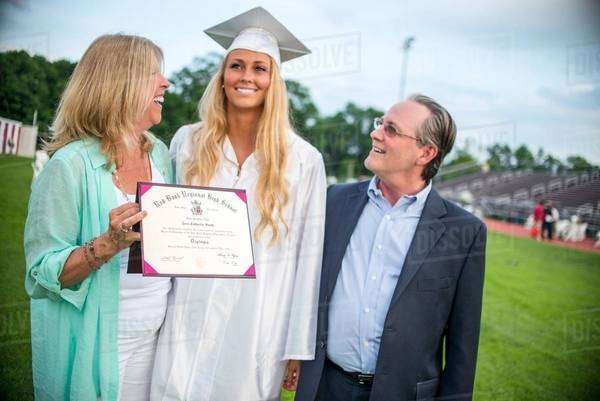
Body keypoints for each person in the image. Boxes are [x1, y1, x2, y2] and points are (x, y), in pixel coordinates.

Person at [150, 7, 326, 401]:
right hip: (186, 310)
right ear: (222, 76)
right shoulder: (189, 142)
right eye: (237, 65)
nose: (246, 76)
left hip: (259, 320)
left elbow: (308, 259)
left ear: (274, 80)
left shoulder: (303, 160)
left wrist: (296, 349)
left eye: (260, 68)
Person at [296, 95, 487, 401]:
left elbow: (463, 345)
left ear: (425, 152)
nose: (376, 133)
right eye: (379, 124)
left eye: (392, 130)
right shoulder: (335, 200)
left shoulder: (463, 231)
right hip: (324, 387)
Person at [24, 34, 172, 401]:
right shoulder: (69, 165)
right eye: (154, 74)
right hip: (100, 338)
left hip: (157, 335)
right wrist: (107, 244)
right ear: (120, 84)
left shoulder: (162, 154)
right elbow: (40, 275)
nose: (165, 83)